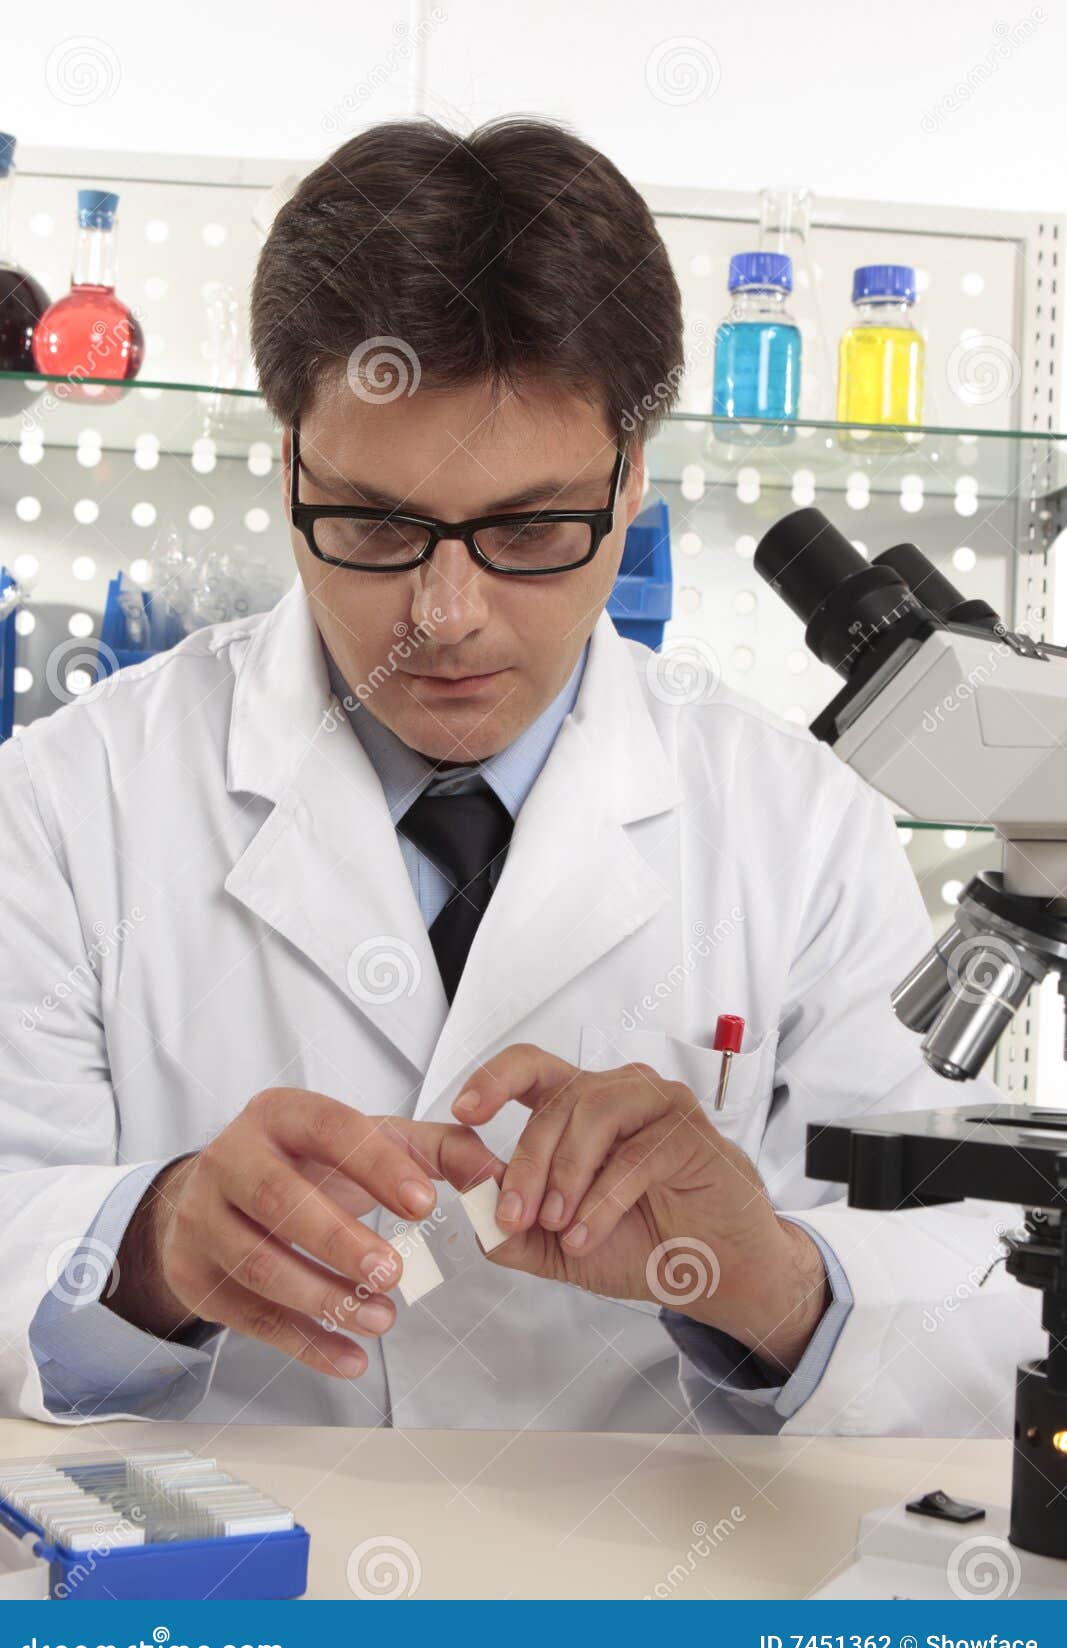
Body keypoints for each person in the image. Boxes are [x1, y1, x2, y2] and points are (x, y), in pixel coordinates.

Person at [0, 117, 1035, 1437]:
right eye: (377, 522)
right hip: (230, 1613)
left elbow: (983, 1288)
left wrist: (774, 1280)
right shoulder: (64, 800)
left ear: (632, 481)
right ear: (287, 463)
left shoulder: (799, 828)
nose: (447, 614)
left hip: (651, 1620)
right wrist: (148, 1246)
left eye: (531, 528)